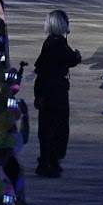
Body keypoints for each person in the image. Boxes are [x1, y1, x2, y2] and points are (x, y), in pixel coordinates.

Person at [33, 10, 81, 178]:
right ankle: (51, 162)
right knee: (57, 127)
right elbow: (70, 59)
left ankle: (46, 160)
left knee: (46, 127)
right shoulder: (58, 44)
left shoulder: (49, 42)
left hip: (46, 89)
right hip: (56, 91)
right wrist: (77, 56)